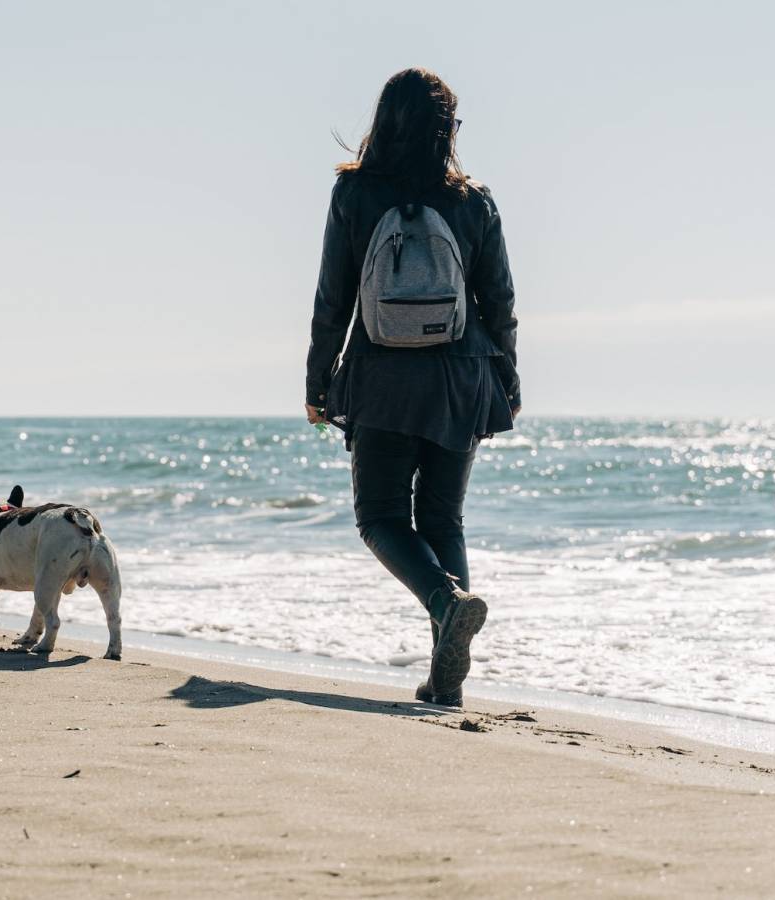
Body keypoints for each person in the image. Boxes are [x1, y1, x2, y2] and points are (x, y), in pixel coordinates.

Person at [304, 68, 520, 707]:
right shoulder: (474, 200)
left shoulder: (354, 194)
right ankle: (447, 672)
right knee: (442, 518)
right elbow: (499, 300)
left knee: (380, 518)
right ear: (445, 129)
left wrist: (318, 382)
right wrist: (506, 378)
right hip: (462, 376)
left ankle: (445, 605)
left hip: (381, 376)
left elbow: (333, 298)